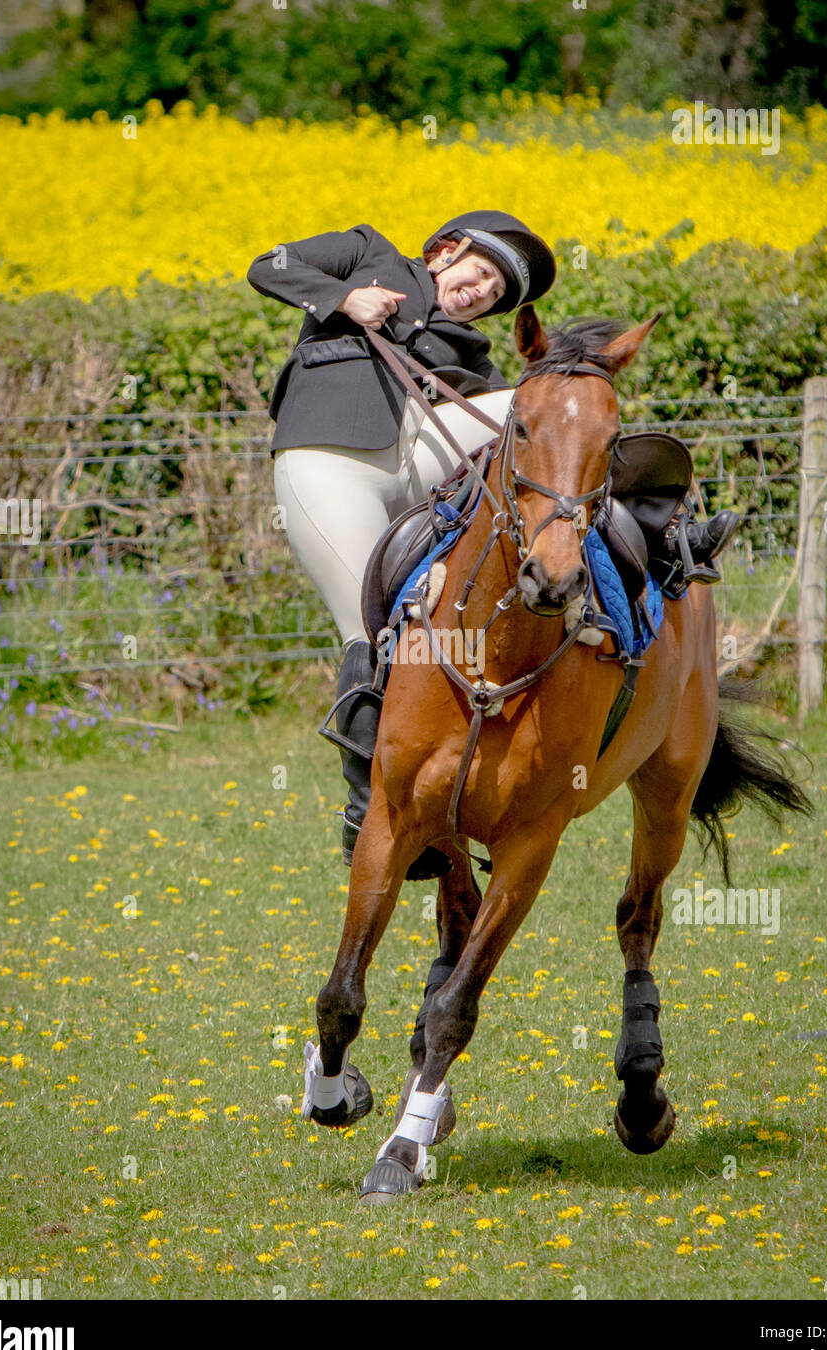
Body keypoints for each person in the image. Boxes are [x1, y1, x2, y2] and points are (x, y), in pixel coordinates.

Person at [247, 212, 736, 877]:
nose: (481, 290)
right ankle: (370, 805)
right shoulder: (367, 253)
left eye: (496, 291)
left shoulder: (472, 357)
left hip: (419, 450)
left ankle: (661, 531)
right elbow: (267, 264)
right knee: (368, 627)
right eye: (480, 271)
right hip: (332, 456)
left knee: (559, 403)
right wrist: (342, 299)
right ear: (444, 252)